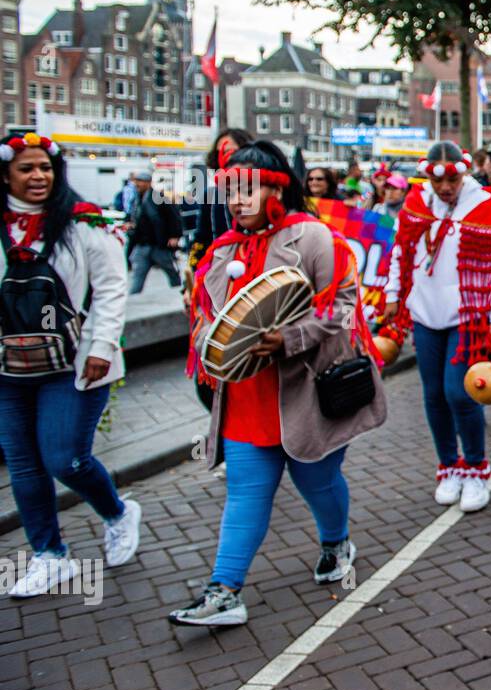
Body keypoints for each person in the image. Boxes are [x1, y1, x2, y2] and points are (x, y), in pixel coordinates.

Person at [171, 141, 386, 626]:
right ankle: (224, 592)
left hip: (305, 392)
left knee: (318, 481)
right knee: (246, 492)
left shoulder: (314, 238)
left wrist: (288, 338)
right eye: (230, 190)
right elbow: (205, 317)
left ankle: (337, 541)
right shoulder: (222, 249)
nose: (238, 200)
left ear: (277, 187)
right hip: (246, 396)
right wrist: (211, 340)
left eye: (249, 189)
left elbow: (343, 306)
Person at [0, 132, 140, 597]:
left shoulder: (82, 222)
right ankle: (49, 554)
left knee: (65, 458)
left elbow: (111, 287)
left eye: (45, 167)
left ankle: (118, 513)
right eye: (26, 168)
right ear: (6, 175)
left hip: (74, 364)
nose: (38, 176)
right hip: (9, 369)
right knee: (24, 465)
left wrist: (101, 346)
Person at [382, 141, 491, 513]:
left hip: (467, 315)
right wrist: (393, 294)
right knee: (433, 394)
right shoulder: (416, 203)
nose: (445, 187)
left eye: (452, 178)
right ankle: (448, 466)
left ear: (463, 172)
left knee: (460, 392)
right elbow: (400, 251)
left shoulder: (484, 203)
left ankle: (475, 467)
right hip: (424, 312)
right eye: (437, 180)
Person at [190, 128, 254, 271]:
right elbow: (201, 238)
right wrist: (196, 270)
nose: (226, 157)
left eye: (232, 151)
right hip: (220, 271)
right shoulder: (211, 195)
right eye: (221, 152)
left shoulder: (263, 188)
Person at [125, 169, 183, 294]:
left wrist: (174, 236)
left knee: (172, 273)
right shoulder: (137, 199)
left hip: (159, 246)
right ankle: (133, 299)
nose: (137, 184)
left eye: (140, 181)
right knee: (138, 277)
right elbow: (135, 217)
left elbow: (174, 216)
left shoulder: (158, 197)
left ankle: (182, 294)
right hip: (143, 245)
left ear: (148, 182)